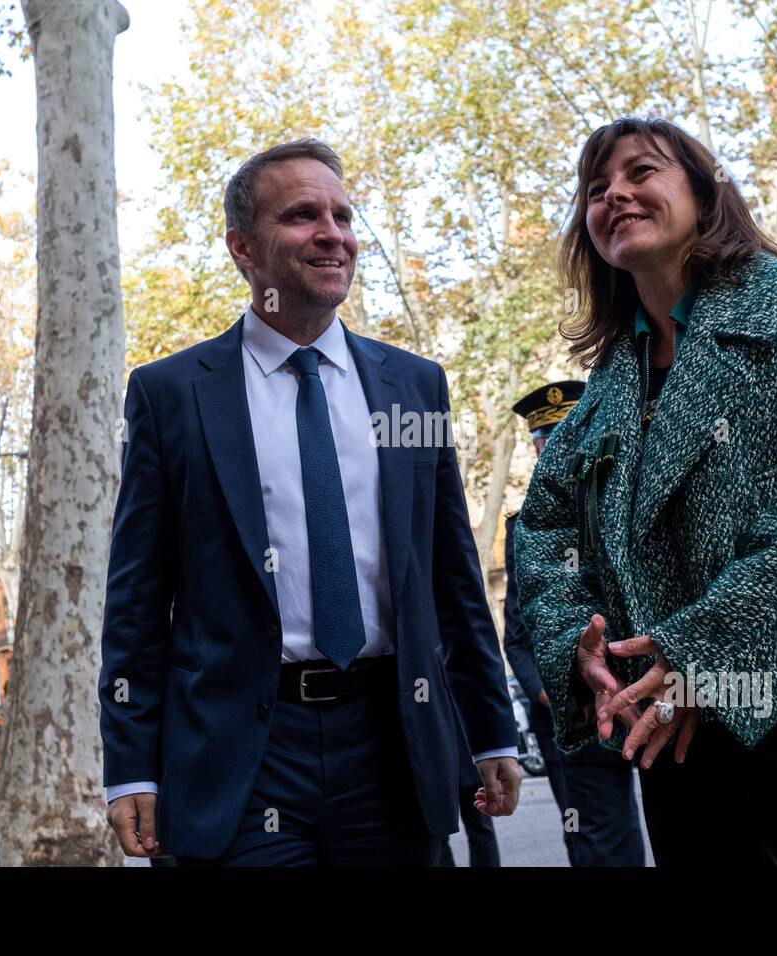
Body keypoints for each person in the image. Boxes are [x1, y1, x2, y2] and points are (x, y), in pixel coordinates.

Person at [515, 116, 777, 866]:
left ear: (706, 196)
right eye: (596, 188)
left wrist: (706, 657)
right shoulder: (603, 392)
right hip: (675, 731)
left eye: (641, 172)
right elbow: (546, 532)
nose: (616, 193)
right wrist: (576, 647)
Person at [100, 138, 521, 866]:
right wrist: (130, 764)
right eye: (302, 216)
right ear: (243, 246)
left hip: (393, 744)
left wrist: (490, 729)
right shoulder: (173, 395)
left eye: (343, 215)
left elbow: (452, 577)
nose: (333, 234)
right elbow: (136, 597)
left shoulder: (412, 387)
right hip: (243, 757)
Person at [504, 381, 647, 866]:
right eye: (543, 442)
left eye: (561, 437)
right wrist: (549, 686)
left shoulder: (630, 498)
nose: (551, 452)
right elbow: (518, 631)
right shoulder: (524, 526)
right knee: (598, 840)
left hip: (653, 688)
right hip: (580, 705)